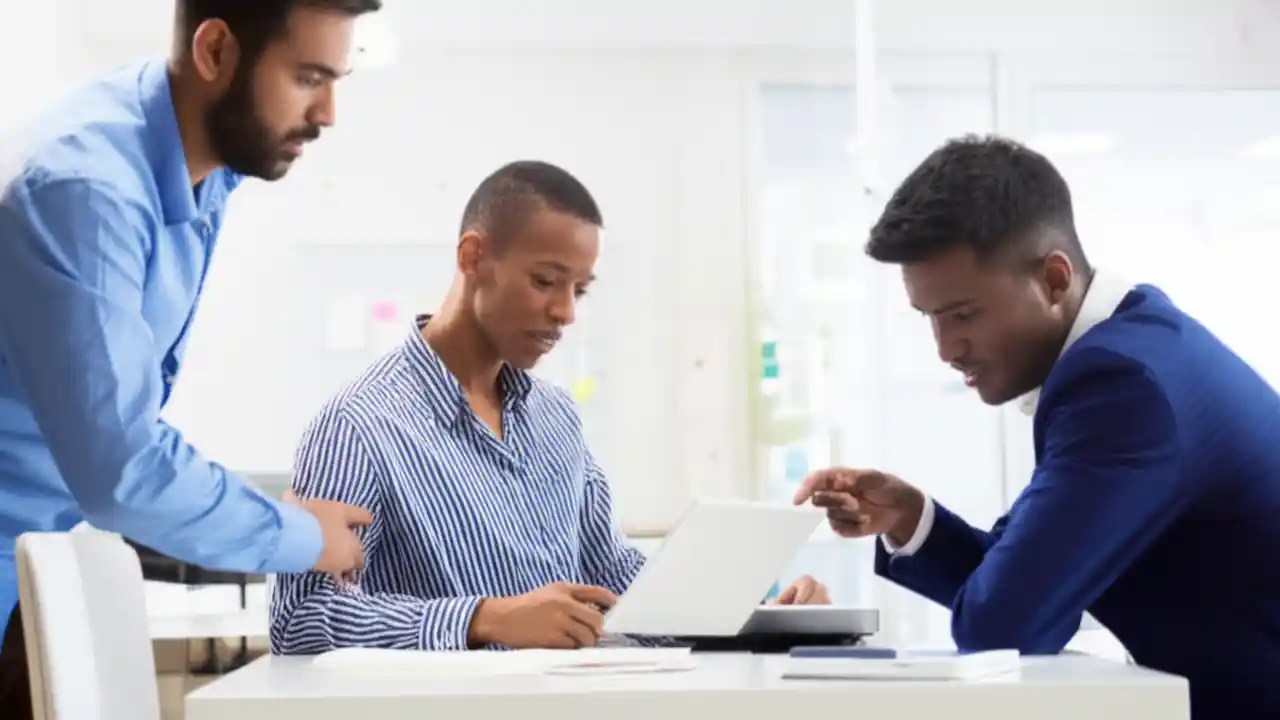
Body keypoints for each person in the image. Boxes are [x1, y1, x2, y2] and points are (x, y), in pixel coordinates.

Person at [793, 135, 1280, 719]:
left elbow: (1005, 624)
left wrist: (1006, 607)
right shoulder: (1134, 346)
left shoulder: (1122, 386)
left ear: (1054, 279)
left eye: (964, 314)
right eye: (929, 319)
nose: (946, 349)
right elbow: (1022, 584)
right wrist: (907, 516)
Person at [270, 160, 830, 654]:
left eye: (580, 291)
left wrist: (758, 614)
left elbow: (614, 576)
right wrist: (485, 619)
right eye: (546, 282)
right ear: (473, 257)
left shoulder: (557, 418)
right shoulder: (359, 425)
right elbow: (298, 620)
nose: (566, 313)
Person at [0, 1, 383, 714]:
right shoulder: (88, 190)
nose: (328, 112)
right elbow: (123, 469)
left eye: (337, 79)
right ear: (215, 52)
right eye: (307, 77)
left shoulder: (201, 170)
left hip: (43, 563)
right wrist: (300, 537)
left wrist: (274, 518)